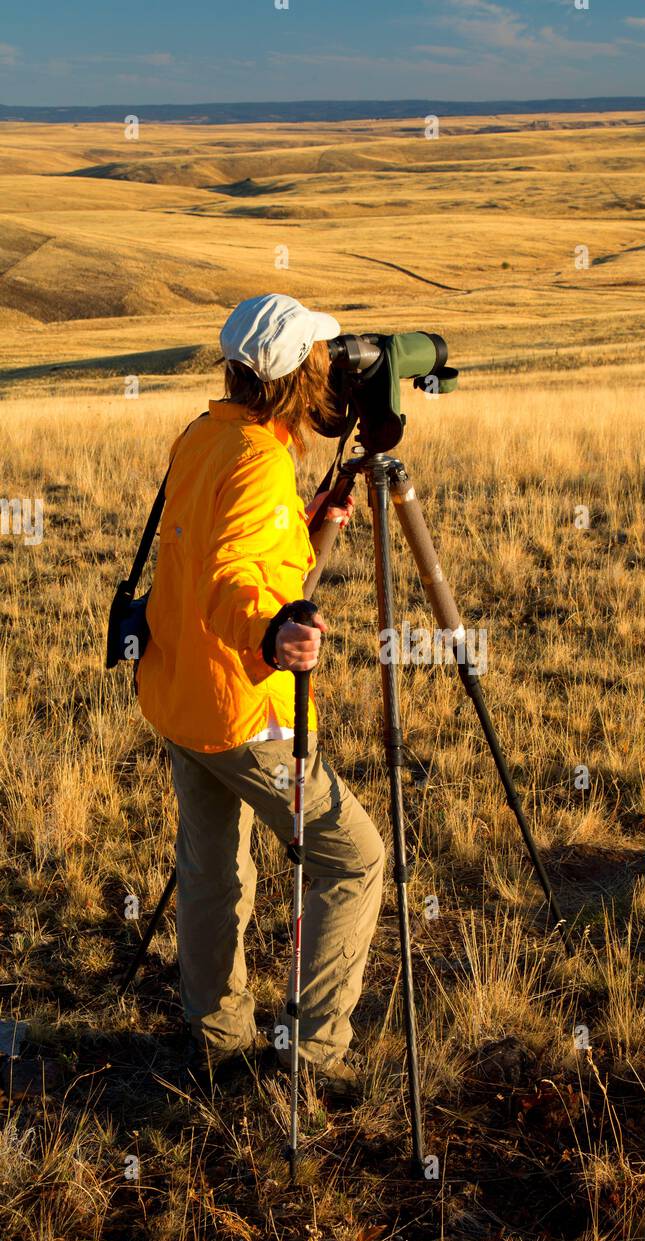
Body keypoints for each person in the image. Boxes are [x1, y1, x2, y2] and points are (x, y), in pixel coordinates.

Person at [136, 293, 385, 1095]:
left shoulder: (207, 435)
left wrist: (321, 515)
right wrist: (271, 635)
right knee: (353, 859)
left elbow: (250, 552)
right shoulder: (258, 461)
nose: (331, 372)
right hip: (245, 709)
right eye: (319, 360)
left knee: (214, 869)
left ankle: (216, 1033)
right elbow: (235, 580)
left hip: (181, 695)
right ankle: (310, 1055)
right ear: (297, 373)